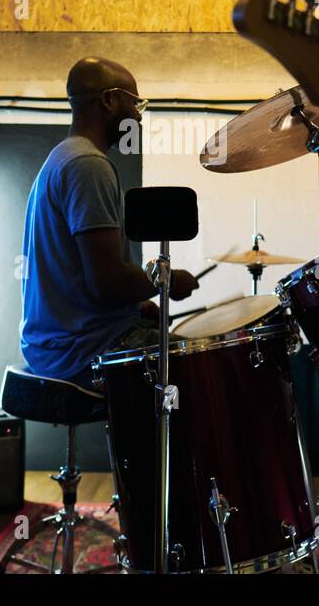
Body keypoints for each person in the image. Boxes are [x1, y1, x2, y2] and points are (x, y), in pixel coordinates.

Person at [20, 57, 198, 388]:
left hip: (54, 347)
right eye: (135, 103)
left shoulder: (62, 157)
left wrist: (138, 302)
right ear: (108, 100)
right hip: (83, 351)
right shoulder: (89, 165)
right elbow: (107, 282)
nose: (138, 116)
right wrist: (165, 281)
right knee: (204, 368)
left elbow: (83, 277)